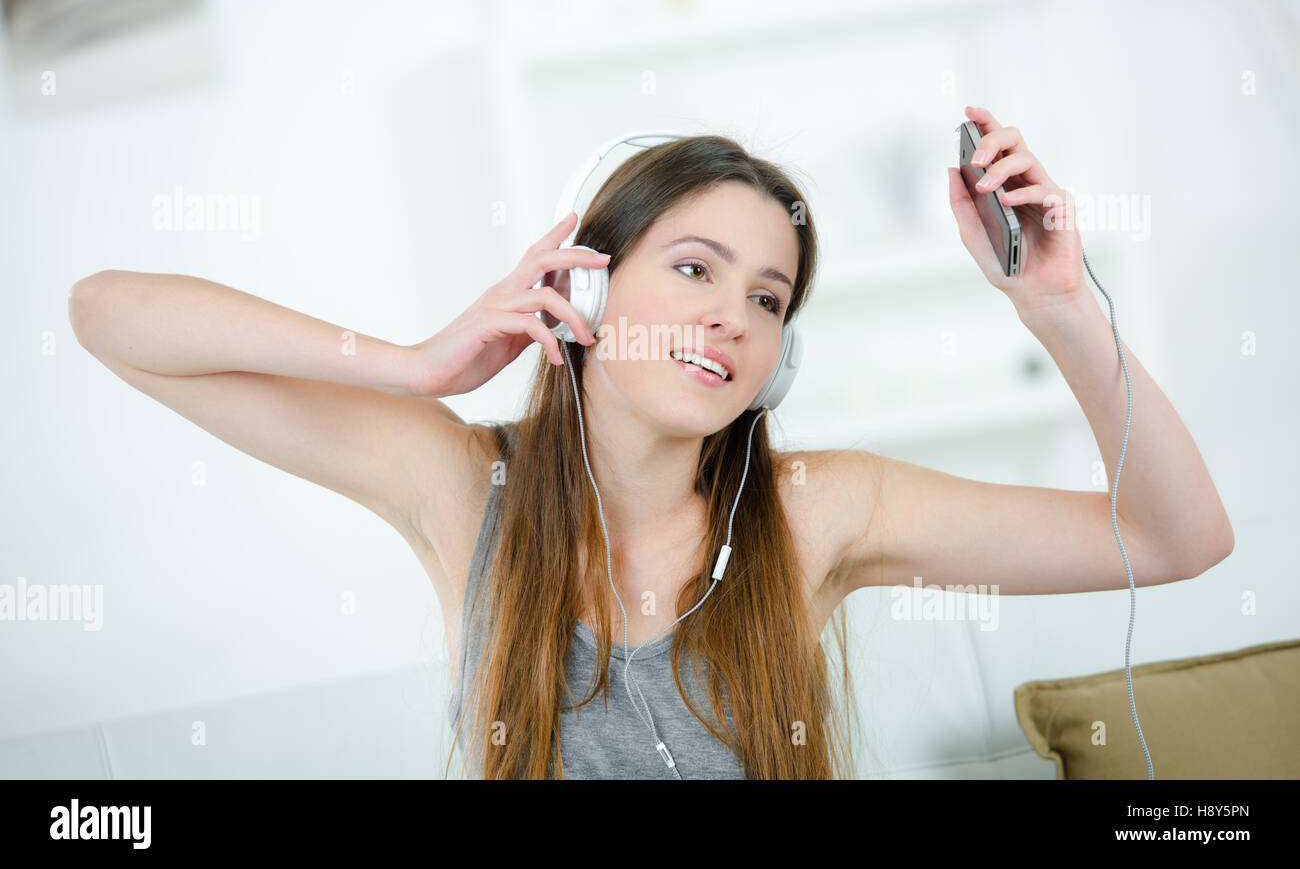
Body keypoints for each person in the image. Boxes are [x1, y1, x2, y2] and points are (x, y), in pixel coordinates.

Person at [68, 108, 1234, 779]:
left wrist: (1060, 308)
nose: (734, 316)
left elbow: (1174, 538)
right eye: (692, 270)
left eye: (770, 300)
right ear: (583, 284)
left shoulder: (817, 509)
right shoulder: (457, 483)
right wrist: (416, 364)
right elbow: (111, 314)